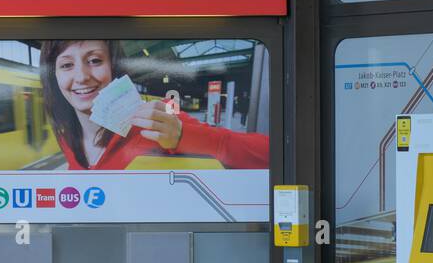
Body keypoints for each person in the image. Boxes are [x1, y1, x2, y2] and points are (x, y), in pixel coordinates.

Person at [39, 39, 270, 170]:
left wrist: (182, 135)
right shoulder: (66, 136)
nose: (81, 76)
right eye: (66, 65)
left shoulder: (163, 116)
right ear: (54, 77)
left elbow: (269, 153)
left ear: (114, 68)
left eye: (95, 61)